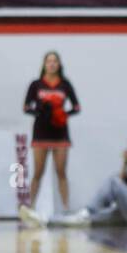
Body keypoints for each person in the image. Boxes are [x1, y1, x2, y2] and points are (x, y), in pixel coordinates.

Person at [53, 134, 127, 229]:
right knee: (94, 218)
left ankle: (88, 210)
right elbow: (120, 185)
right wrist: (125, 163)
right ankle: (59, 220)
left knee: (113, 181)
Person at [19, 52, 80, 224]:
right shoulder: (36, 84)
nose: (52, 64)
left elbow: (77, 106)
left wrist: (63, 115)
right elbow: (25, 107)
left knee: (61, 172)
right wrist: (40, 112)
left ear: (59, 64)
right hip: (41, 132)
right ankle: (30, 208)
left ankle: (66, 209)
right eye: (49, 61)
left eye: (55, 61)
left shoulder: (65, 84)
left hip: (60, 132)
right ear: (44, 64)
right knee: (38, 172)